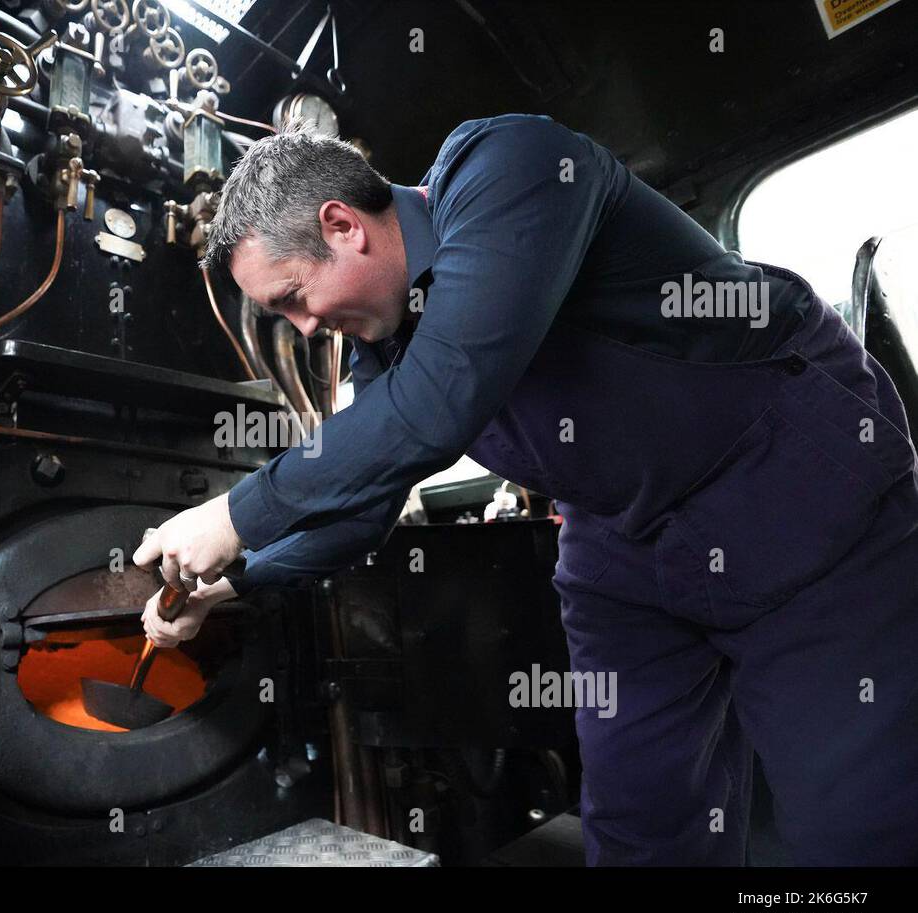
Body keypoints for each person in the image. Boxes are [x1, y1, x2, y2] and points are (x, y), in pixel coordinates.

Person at [132, 114, 918, 865]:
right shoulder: (387, 342)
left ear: (343, 226)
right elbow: (363, 505)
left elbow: (444, 399)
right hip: (621, 540)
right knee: (639, 819)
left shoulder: (512, 168)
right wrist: (234, 581)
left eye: (293, 298)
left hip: (784, 483)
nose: (305, 330)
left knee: (858, 824)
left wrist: (233, 513)